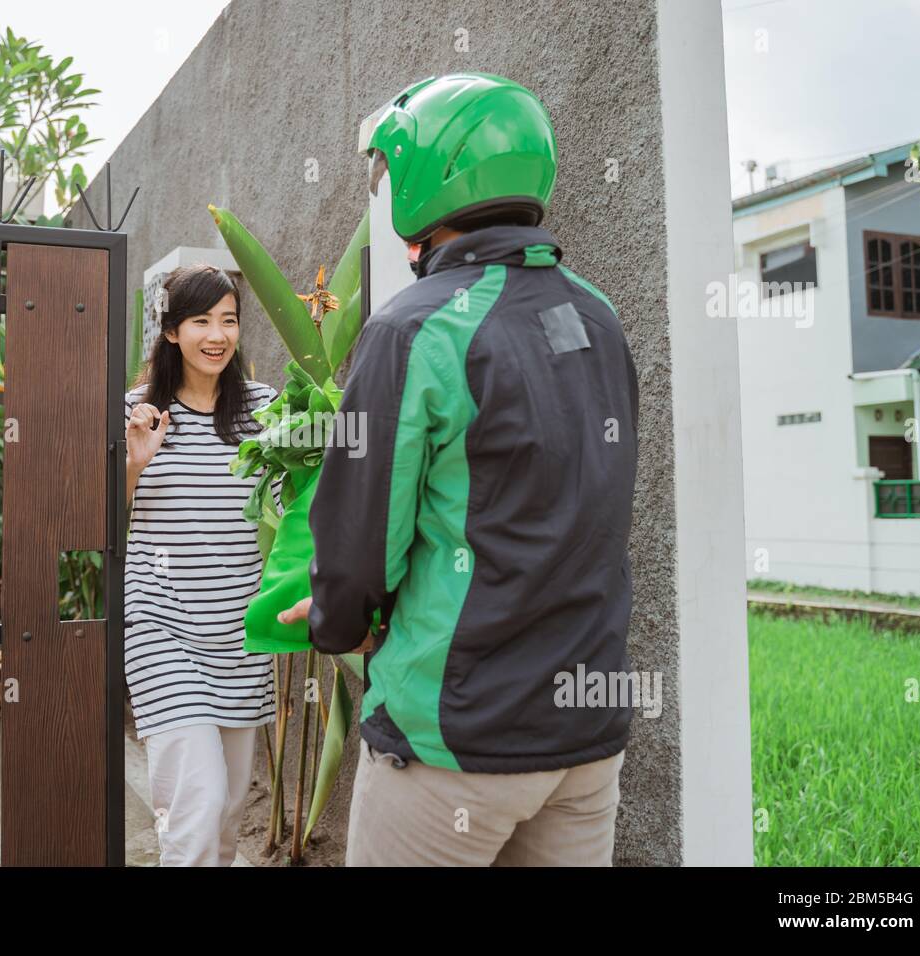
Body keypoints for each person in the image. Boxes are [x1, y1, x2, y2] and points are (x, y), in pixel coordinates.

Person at [279, 72, 640, 866]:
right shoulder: (599, 317)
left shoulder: (413, 327)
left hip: (455, 745)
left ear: (422, 178)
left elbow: (360, 540)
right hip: (586, 742)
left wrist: (332, 620)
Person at [124, 263, 280, 866]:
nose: (217, 334)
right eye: (201, 321)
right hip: (163, 631)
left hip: (241, 634)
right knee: (197, 800)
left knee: (226, 813)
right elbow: (97, 511)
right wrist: (135, 462)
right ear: (170, 332)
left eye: (229, 320)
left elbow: (297, 502)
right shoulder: (140, 412)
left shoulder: (263, 412)